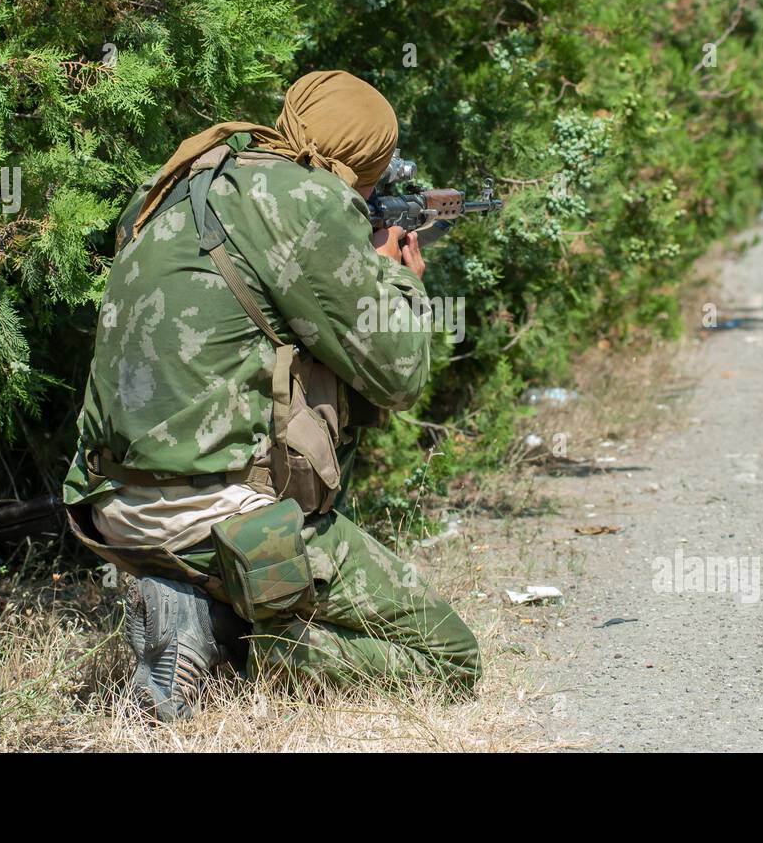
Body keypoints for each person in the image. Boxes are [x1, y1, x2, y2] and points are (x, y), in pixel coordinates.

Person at [62, 70, 480, 720]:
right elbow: (399, 376)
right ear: (365, 160)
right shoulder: (310, 203)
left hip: (109, 506)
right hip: (219, 519)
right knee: (448, 660)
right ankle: (227, 639)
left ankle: (191, 609)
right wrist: (399, 279)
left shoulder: (174, 181)